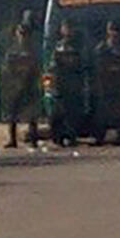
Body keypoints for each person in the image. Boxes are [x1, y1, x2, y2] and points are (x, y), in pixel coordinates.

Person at [92, 21, 120, 146]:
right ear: (108, 32)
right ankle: (100, 136)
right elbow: (98, 65)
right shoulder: (102, 48)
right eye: (111, 30)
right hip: (105, 84)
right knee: (103, 112)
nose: (114, 33)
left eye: (116, 30)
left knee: (119, 111)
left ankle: (119, 134)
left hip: (119, 84)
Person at [1, 22, 40, 148]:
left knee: (32, 114)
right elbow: (7, 68)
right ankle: (12, 140)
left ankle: (34, 139)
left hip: (29, 85)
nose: (22, 37)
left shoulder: (33, 50)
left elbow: (36, 68)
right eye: (20, 33)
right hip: (15, 86)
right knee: (12, 114)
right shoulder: (13, 51)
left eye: (24, 34)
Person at [48, 19, 85, 147]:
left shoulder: (78, 46)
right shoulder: (58, 47)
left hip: (73, 85)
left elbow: (81, 66)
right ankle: (58, 137)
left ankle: (71, 136)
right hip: (60, 85)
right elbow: (53, 66)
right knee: (58, 112)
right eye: (65, 28)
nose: (67, 31)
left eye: (69, 28)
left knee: (72, 113)